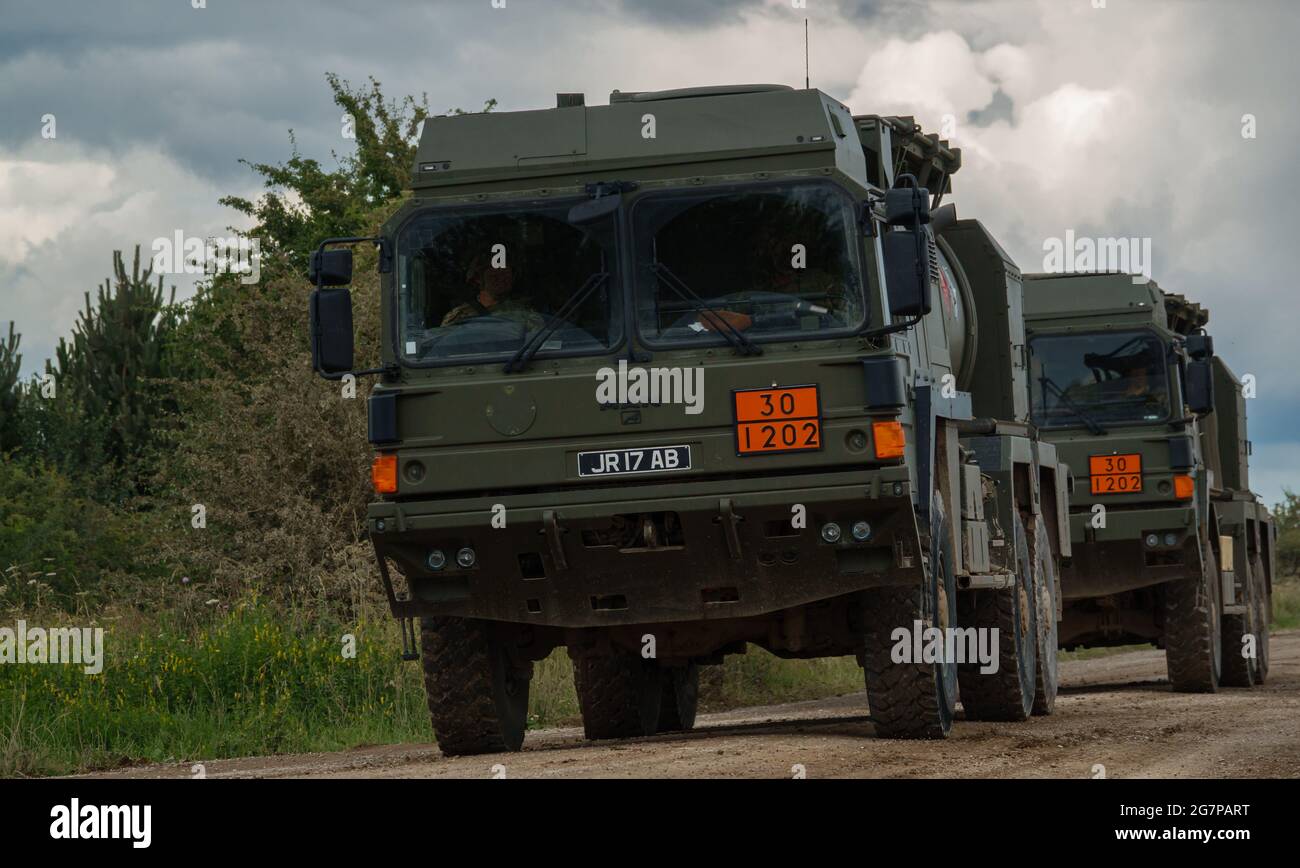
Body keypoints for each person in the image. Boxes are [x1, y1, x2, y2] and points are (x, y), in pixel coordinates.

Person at [441, 253, 544, 332]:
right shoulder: (459, 315)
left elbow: (539, 344)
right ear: (478, 279)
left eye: (506, 274)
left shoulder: (525, 313)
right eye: (494, 276)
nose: (501, 279)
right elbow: (445, 348)